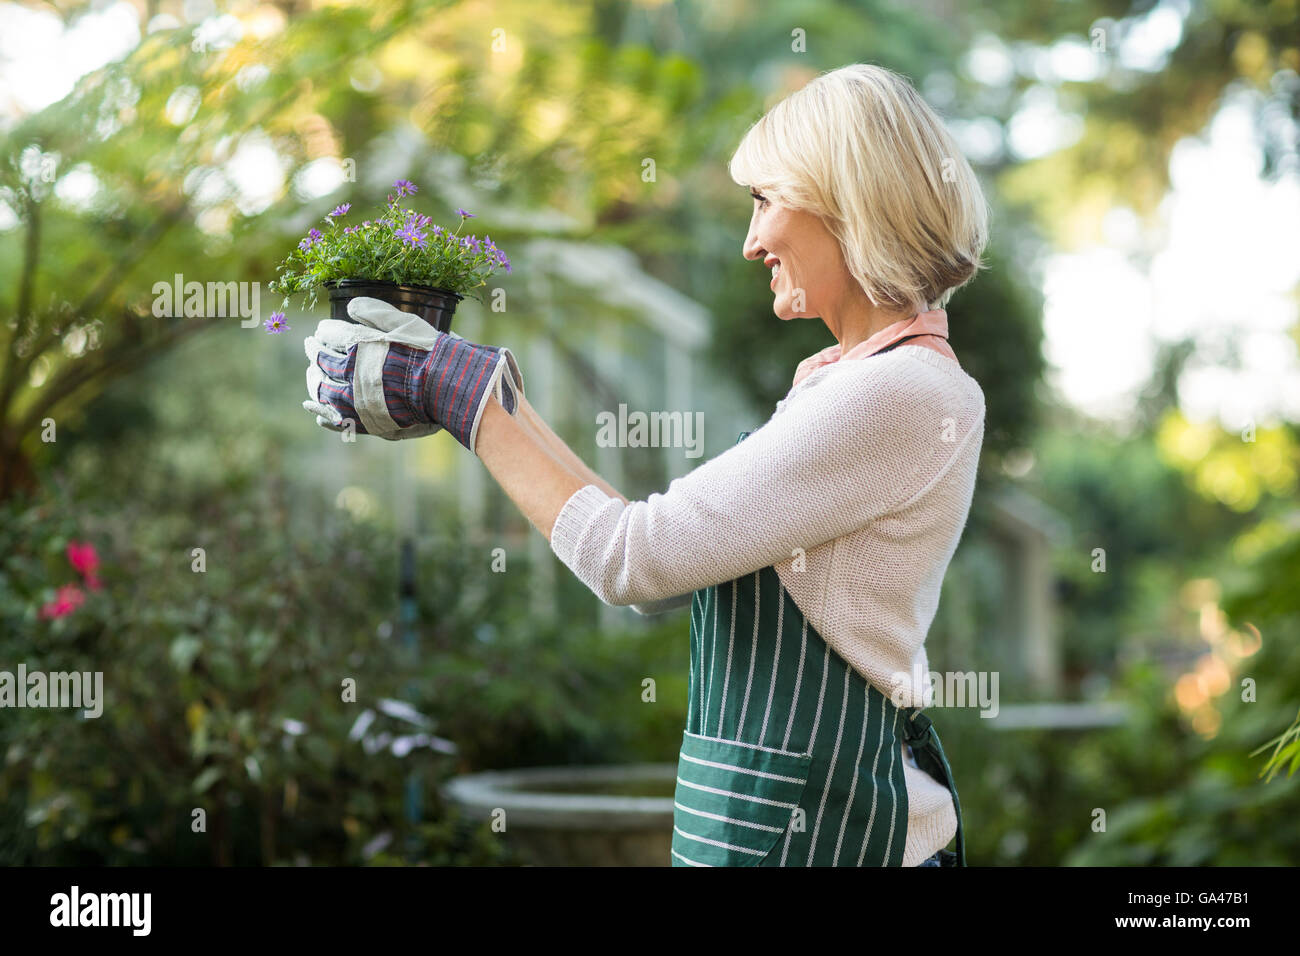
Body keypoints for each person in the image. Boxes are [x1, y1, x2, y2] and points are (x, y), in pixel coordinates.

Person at [303, 63, 989, 867]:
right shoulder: (853, 381)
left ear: (844, 199)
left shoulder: (896, 391)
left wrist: (464, 399)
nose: (751, 240)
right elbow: (657, 552)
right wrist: (484, 388)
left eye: (765, 201)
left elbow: (634, 560)